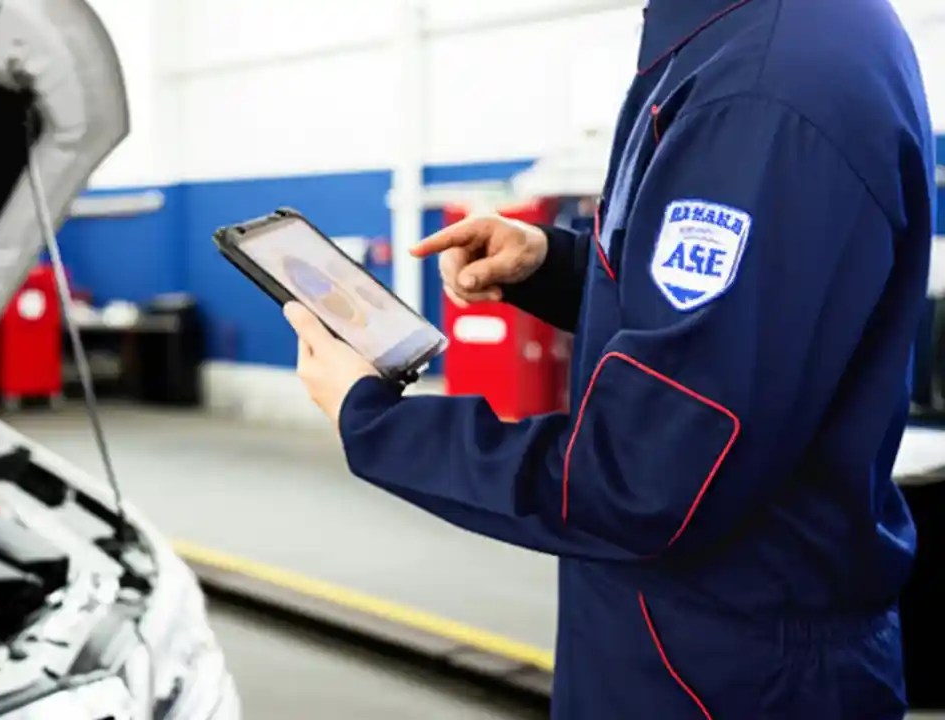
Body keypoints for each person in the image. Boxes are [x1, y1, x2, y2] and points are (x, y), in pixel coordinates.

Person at [283, 0, 935, 717]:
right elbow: (743, 322)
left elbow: (643, 475)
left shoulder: (763, 90)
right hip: (694, 638)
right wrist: (553, 266)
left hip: (719, 671)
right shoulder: (739, 44)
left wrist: (375, 421)